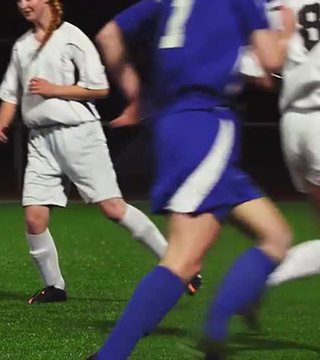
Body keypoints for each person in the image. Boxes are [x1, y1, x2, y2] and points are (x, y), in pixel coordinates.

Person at [89, 0, 295, 358]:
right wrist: (287, 30)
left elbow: (108, 36)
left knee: (276, 237)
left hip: (180, 124)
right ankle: (111, 355)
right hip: (206, 126)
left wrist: (136, 94)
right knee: (184, 259)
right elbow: (272, 62)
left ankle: (213, 331)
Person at [0, 0, 200, 304]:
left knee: (112, 208)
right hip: (40, 140)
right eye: (19, 0)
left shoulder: (72, 37)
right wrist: (1, 124)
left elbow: (99, 88)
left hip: (79, 134)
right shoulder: (22, 46)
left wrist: (54, 89)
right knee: (34, 217)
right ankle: (54, 286)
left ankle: (181, 266)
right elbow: (10, 93)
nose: (23, 4)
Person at [238, 0, 320, 329]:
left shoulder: (277, 2)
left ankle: (262, 278)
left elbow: (261, 73)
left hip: (293, 125)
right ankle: (261, 279)